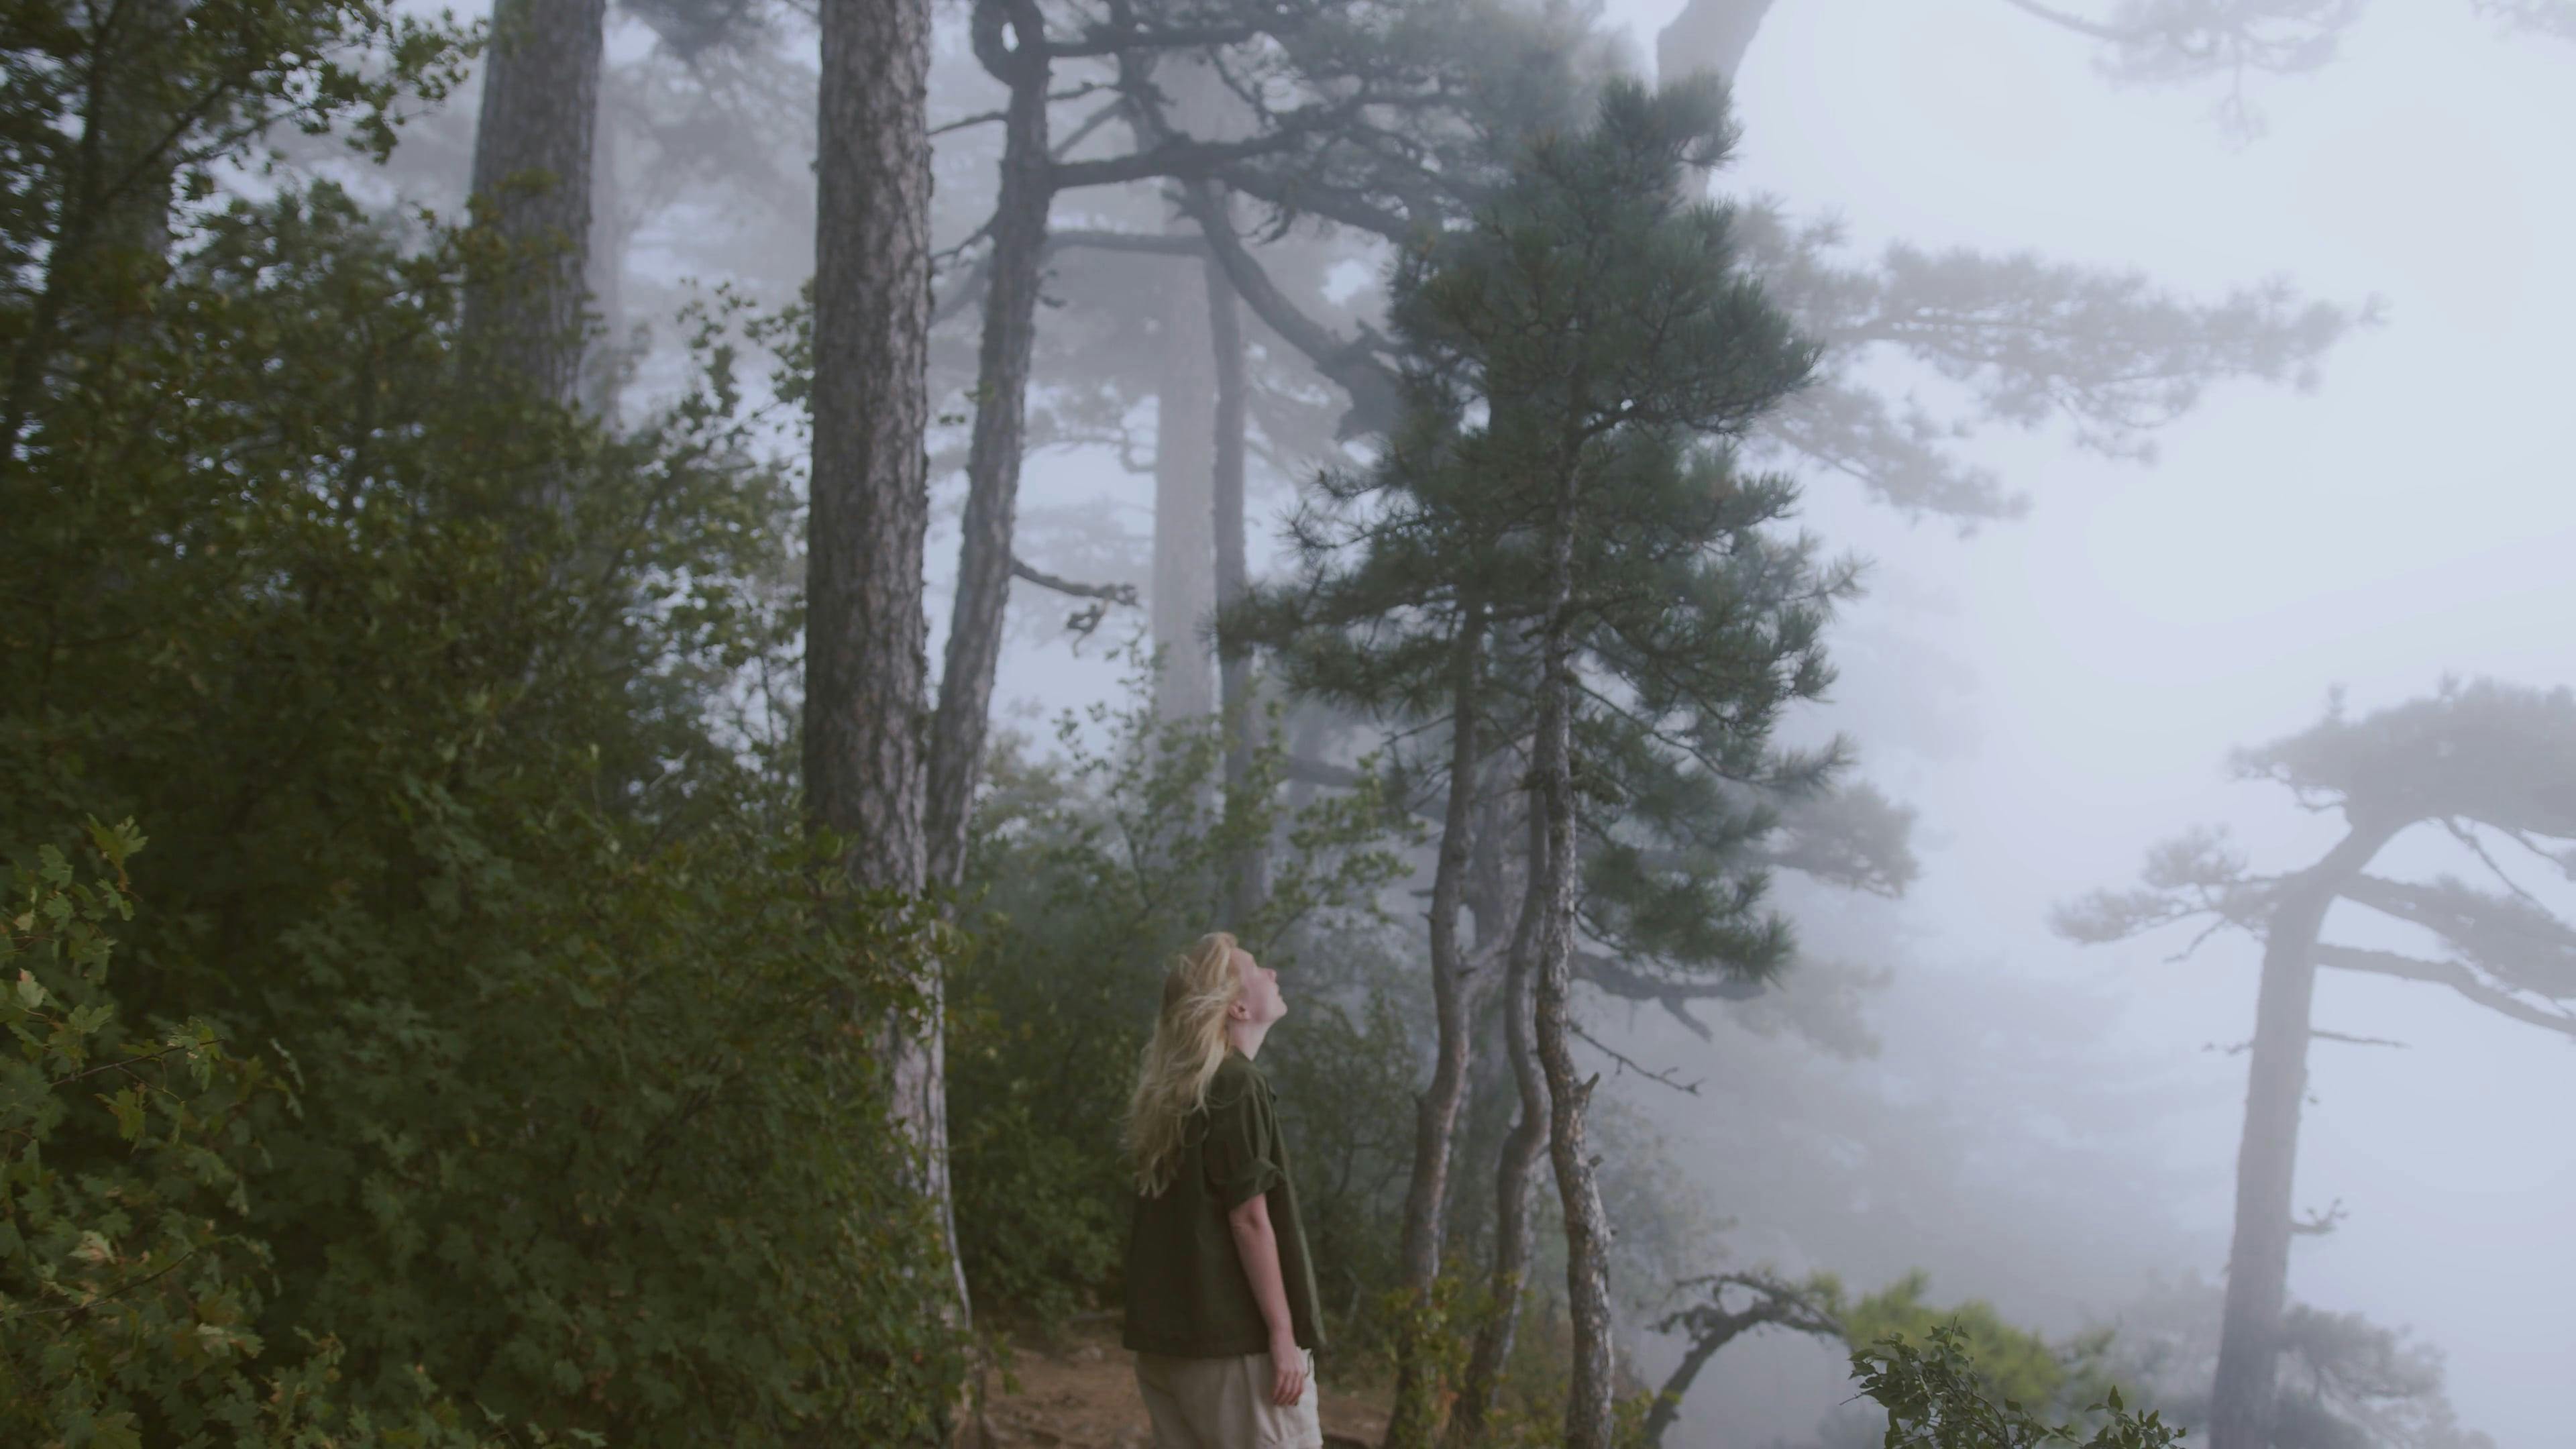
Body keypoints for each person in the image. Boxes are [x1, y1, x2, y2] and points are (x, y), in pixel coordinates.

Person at [1120, 932, 1326, 1449]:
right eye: (1256, 968)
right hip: (1235, 1351)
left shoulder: (1177, 1093)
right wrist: (1283, 1335)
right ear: (1235, 1005)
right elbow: (1248, 1219)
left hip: (1171, 1351)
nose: (1272, 974)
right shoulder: (1237, 1084)